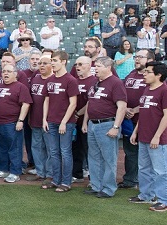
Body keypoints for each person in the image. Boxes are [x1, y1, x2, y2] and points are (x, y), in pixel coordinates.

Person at [129, 61, 167, 212]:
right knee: (144, 168)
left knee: (162, 171)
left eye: (148, 72)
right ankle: (146, 195)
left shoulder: (166, 91)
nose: (144, 74)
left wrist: (157, 136)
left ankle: (166, 201)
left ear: (158, 75)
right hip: (144, 136)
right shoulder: (147, 89)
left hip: (157, 139)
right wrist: (135, 131)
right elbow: (143, 113)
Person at [81, 57, 127, 198]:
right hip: (93, 124)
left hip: (107, 124)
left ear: (108, 68)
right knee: (94, 157)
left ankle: (108, 188)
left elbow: (122, 106)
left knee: (109, 158)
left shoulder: (116, 83)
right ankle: (96, 185)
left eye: (99, 66)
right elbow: (90, 103)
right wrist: (85, 122)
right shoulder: (95, 82)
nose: (96, 69)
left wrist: (115, 126)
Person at [41, 50, 78, 193]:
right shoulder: (50, 80)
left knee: (65, 152)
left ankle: (66, 182)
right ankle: (56, 180)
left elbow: (73, 103)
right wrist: (45, 118)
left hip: (66, 123)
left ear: (63, 62)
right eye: (52, 60)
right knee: (54, 152)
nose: (52, 63)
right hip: (51, 121)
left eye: (54, 61)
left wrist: (64, 121)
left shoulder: (70, 80)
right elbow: (46, 100)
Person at [0, 65, 32, 183]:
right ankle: (3, 169)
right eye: (4, 72)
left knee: (14, 149)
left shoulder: (20, 87)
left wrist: (21, 120)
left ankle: (15, 172)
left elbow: (26, 104)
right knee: (1, 148)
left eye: (8, 71)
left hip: (12, 123)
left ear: (15, 74)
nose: (5, 74)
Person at [121, 49, 154, 189]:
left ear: (150, 60)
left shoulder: (153, 77)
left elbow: (154, 98)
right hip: (129, 121)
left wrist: (135, 110)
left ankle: (145, 182)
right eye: (136, 57)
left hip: (145, 121)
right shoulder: (131, 74)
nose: (137, 59)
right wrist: (126, 109)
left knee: (146, 153)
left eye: (141, 57)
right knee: (130, 152)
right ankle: (130, 180)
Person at [70, 56, 96, 184]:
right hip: (74, 122)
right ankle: (77, 174)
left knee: (89, 150)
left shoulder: (94, 81)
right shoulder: (73, 81)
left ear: (89, 65)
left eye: (80, 64)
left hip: (88, 121)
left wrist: (78, 113)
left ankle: (93, 177)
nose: (77, 67)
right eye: (76, 64)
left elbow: (92, 101)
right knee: (75, 148)